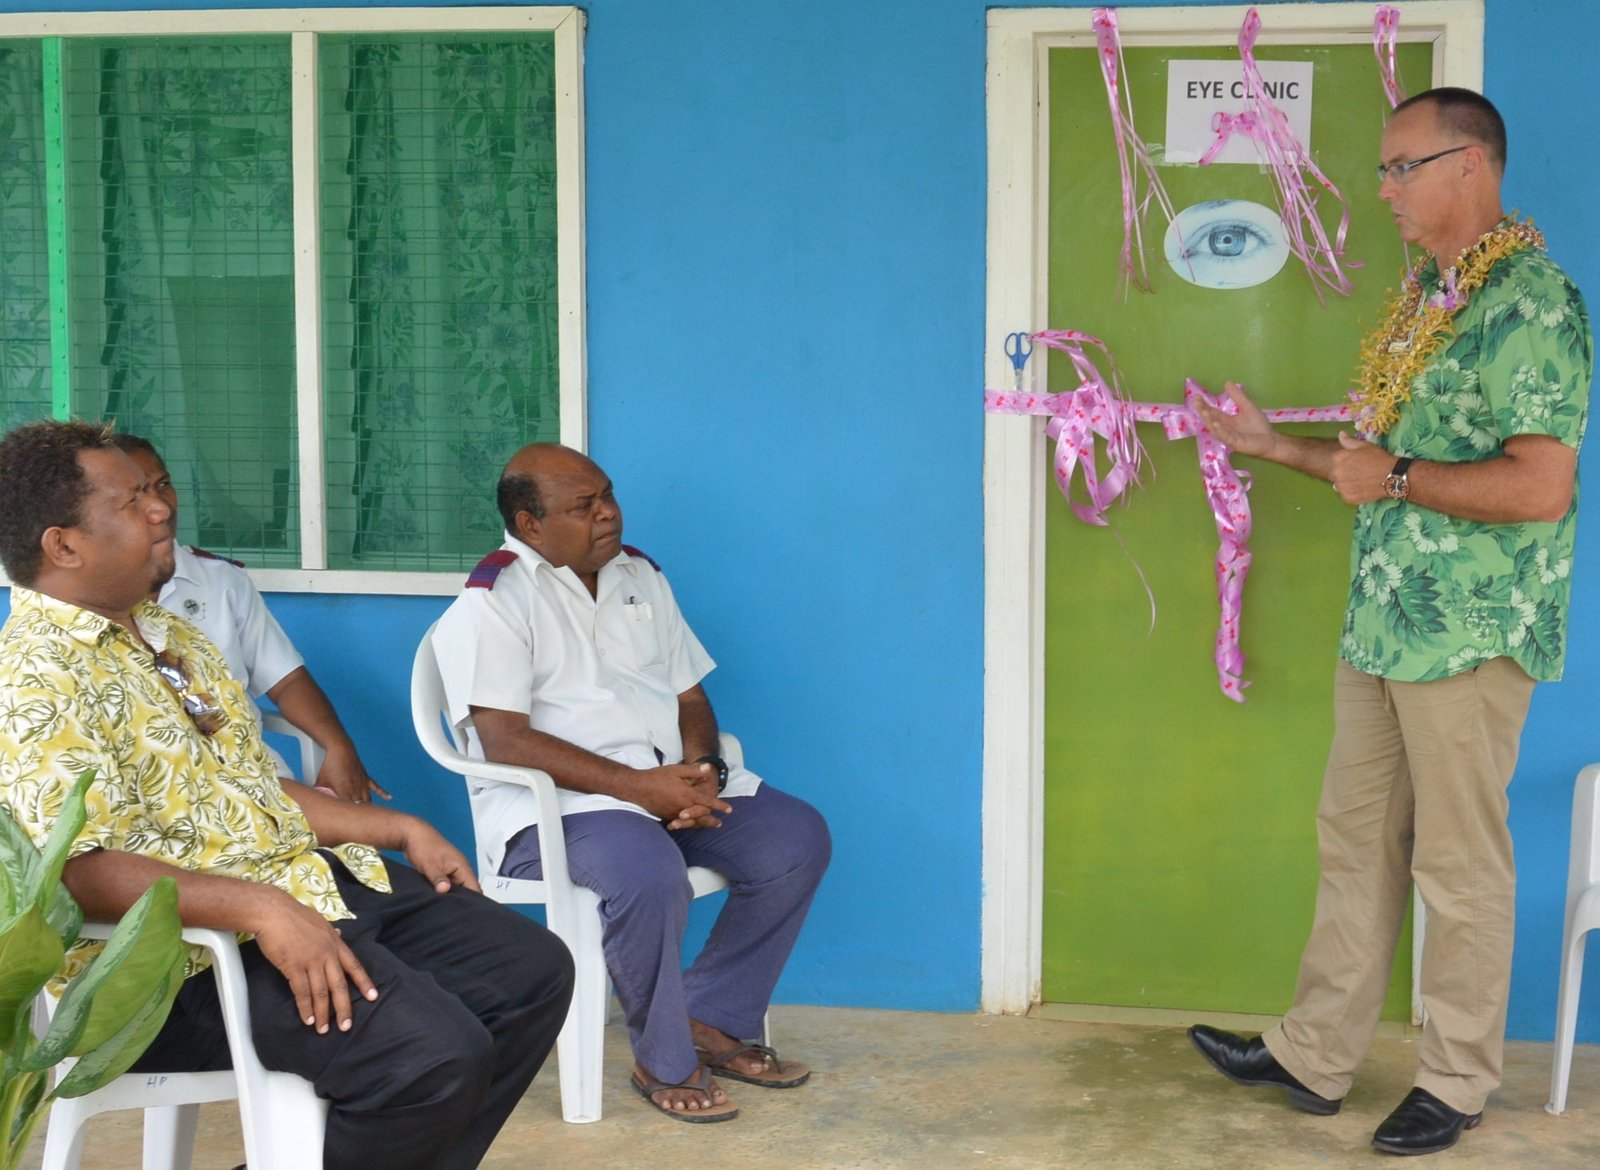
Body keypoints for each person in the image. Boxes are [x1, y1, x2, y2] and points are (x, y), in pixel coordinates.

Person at [1187, 87, 1593, 1156]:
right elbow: (1372, 472)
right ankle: (1314, 1055)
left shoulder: (1532, 303)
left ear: (1470, 164)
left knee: (1458, 865)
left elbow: (1540, 486)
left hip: (1468, 632)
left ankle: (1456, 1081)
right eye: (1382, 169)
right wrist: (1274, 447)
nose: (1383, 190)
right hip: (1383, 622)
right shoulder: (1426, 296)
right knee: (1357, 841)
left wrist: (1399, 475)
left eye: (1400, 167)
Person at [0, 420, 575, 1170]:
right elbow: (79, 871)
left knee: (531, 971)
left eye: (153, 492)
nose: (161, 509)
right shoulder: (38, 676)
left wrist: (396, 828)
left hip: (299, 889)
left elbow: (252, 788)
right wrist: (262, 909)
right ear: (63, 546)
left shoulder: (169, 636)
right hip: (175, 968)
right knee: (430, 1057)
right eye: (131, 501)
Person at [431, 442, 831, 1123]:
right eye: (583, 507)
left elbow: (690, 696)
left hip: (663, 791)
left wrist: (703, 774)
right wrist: (638, 789)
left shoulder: (639, 576)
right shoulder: (494, 599)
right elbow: (505, 739)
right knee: (647, 873)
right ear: (530, 525)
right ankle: (663, 1058)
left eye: (608, 496)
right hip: (558, 810)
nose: (608, 514)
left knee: (795, 839)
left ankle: (712, 1015)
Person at [109, 433, 384, 801]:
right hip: (153, 794)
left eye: (163, 485)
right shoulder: (79, 609)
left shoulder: (221, 581)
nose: (161, 505)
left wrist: (339, 746)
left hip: (248, 778)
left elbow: (285, 679)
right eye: (136, 495)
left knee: (381, 835)